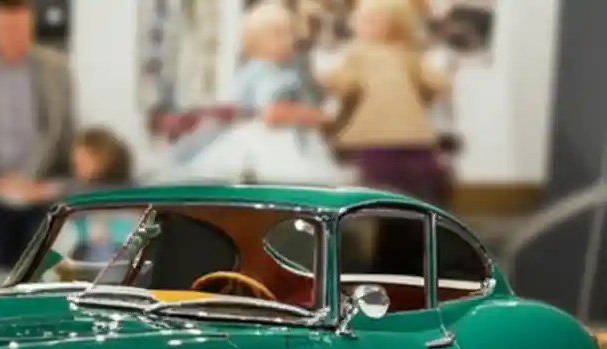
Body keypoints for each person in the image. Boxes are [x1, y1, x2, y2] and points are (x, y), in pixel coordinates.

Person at [0, 0, 74, 271]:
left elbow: (61, 130)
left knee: (42, 274)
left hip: (41, 192)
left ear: (30, 27)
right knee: (1, 275)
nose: (12, 36)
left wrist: (34, 180)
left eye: (19, 28)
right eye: (5, 28)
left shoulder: (55, 69)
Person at [181, 1, 349, 185]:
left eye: (291, 33)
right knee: (286, 176)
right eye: (279, 35)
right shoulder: (265, 72)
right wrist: (317, 116)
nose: (289, 40)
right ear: (255, 41)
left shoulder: (291, 70)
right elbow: (272, 113)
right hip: (275, 140)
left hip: (296, 137)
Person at [319, 0, 451, 203]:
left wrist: (439, 82)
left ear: (396, 25)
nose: (362, 26)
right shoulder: (362, 53)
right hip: (387, 133)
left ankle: (412, 218)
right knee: (388, 181)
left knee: (411, 181)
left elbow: (428, 81)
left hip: (397, 133)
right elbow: (347, 83)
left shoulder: (404, 54)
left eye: (371, 21)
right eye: (361, 21)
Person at [4, 128, 139, 263]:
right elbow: (33, 192)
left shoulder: (131, 191)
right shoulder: (72, 188)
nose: (77, 161)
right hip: (83, 257)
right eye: (77, 158)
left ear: (106, 156)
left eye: (85, 158)